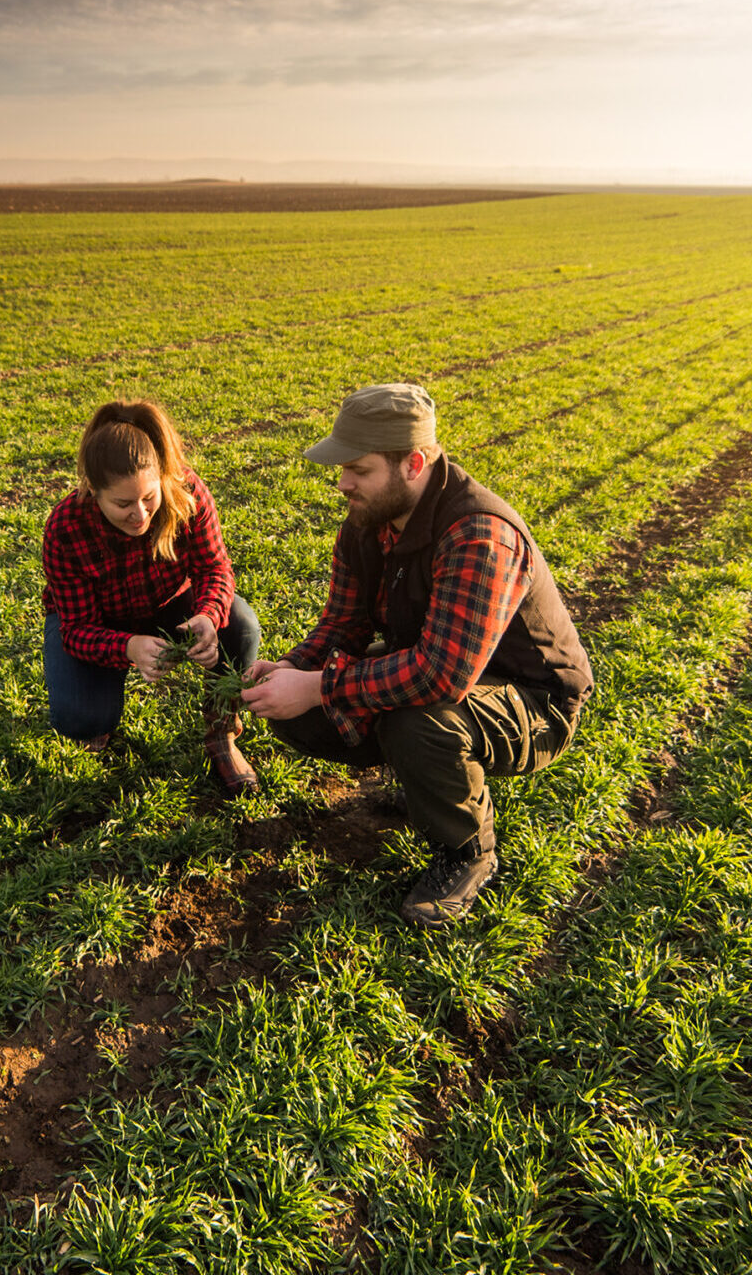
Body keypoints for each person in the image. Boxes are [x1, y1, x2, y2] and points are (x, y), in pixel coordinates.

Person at [241, 382, 592, 927]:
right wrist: (293, 668)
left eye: (359, 470)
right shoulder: (367, 524)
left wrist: (317, 687)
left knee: (416, 720)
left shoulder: (479, 534)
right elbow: (343, 624)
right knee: (306, 715)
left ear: (414, 463)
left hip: (533, 700)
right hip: (444, 668)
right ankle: (425, 781)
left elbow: (441, 675)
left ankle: (468, 852)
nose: (343, 484)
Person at [41, 399, 262, 793]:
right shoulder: (66, 525)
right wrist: (128, 647)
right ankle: (99, 718)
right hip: (101, 621)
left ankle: (221, 729)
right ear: (93, 490)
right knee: (80, 718)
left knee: (240, 626)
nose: (140, 515)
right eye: (123, 504)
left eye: (149, 498)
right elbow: (74, 629)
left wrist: (208, 617)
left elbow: (215, 569)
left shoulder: (186, 491)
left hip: (169, 602)